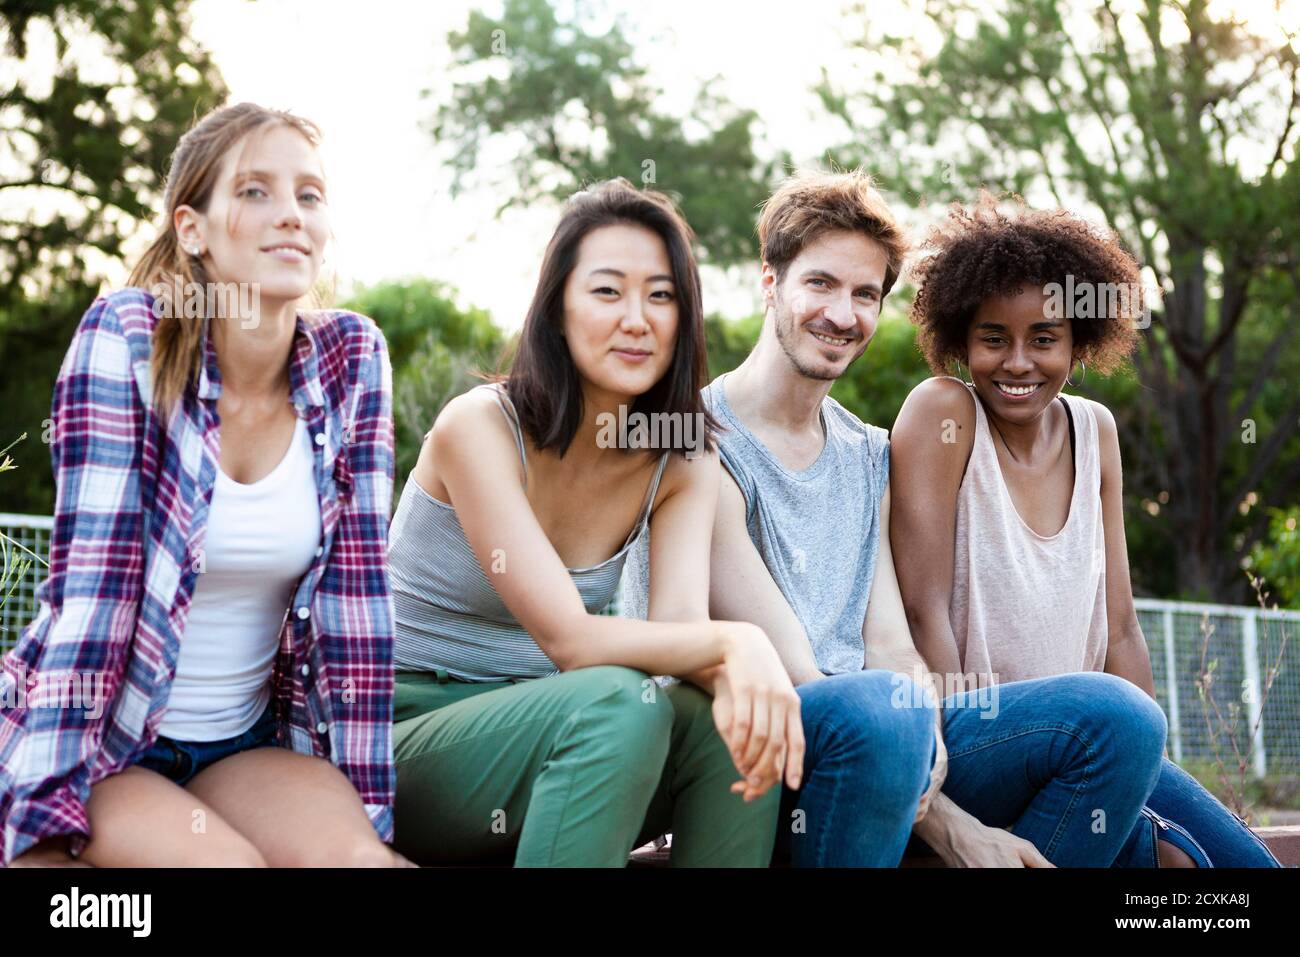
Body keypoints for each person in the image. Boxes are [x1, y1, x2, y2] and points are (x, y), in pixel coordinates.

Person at [626, 169, 1169, 867]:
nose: (841, 314)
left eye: (864, 294)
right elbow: (798, 672)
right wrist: (950, 822)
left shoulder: (867, 453)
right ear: (770, 283)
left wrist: (926, 738)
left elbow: (890, 641)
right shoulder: (698, 444)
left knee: (1130, 734)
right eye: (820, 283)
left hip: (891, 744)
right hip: (775, 752)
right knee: (894, 712)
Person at [0, 103, 409, 867]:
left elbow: (358, 611)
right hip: (110, 745)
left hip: (245, 746)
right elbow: (92, 594)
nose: (290, 214)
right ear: (192, 228)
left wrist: (369, 818)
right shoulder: (128, 338)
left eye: (310, 195)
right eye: (255, 190)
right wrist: (40, 823)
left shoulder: (353, 359)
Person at [386, 178, 803, 867]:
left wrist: (741, 676)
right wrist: (740, 641)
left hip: (560, 727)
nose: (637, 319)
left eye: (661, 296)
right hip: (404, 738)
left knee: (727, 720)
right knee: (617, 700)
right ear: (556, 309)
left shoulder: (683, 454)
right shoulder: (481, 427)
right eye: (608, 291)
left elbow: (677, 628)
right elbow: (570, 640)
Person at [890, 193, 1281, 867]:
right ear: (961, 339)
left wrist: (1142, 759)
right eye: (993, 338)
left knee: (1243, 868)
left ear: (1079, 342)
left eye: (1044, 339)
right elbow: (923, 610)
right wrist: (969, 765)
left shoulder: (1095, 429)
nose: (1018, 362)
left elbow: (1120, 625)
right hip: (972, 739)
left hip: (1096, 742)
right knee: (1170, 850)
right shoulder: (944, 414)